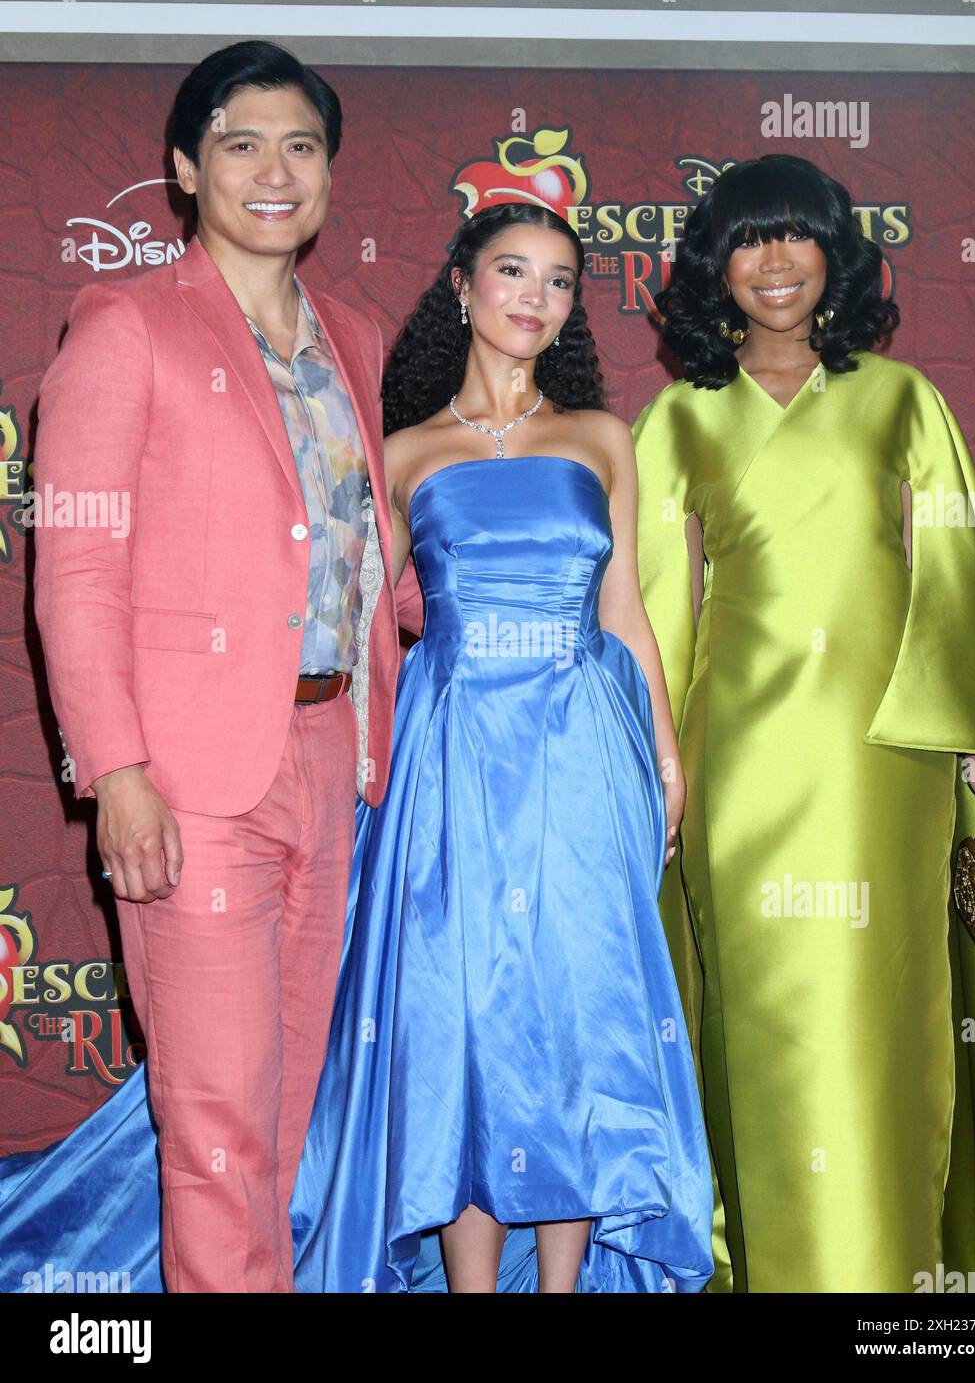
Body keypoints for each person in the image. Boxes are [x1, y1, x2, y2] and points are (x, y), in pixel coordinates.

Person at [0, 200, 715, 1294]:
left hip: (580, 756)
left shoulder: (604, 437)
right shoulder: (397, 449)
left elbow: (626, 610)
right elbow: (350, 594)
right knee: (465, 1021)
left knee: (573, 1017)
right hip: (451, 755)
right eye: (511, 271)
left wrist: (662, 759)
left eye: (560, 280)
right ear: (463, 288)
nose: (534, 296)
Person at [17, 40, 422, 1293]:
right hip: (191, 777)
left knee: (288, 1106)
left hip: (334, 757)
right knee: (213, 1121)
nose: (273, 169)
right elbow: (76, 571)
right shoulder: (127, 322)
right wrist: (119, 771)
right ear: (187, 168)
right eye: (241, 142)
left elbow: (374, 563)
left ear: (328, 176)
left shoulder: (353, 337)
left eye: (301, 145)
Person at [633, 152, 975, 1293]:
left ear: (836, 256)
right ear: (714, 265)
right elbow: (654, 620)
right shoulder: (679, 417)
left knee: (883, 1023)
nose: (773, 263)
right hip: (740, 770)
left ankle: (887, 1283)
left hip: (882, 765)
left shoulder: (901, 400)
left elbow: (948, 581)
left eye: (796, 236)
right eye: (748, 239)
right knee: (758, 1024)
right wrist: (652, 770)